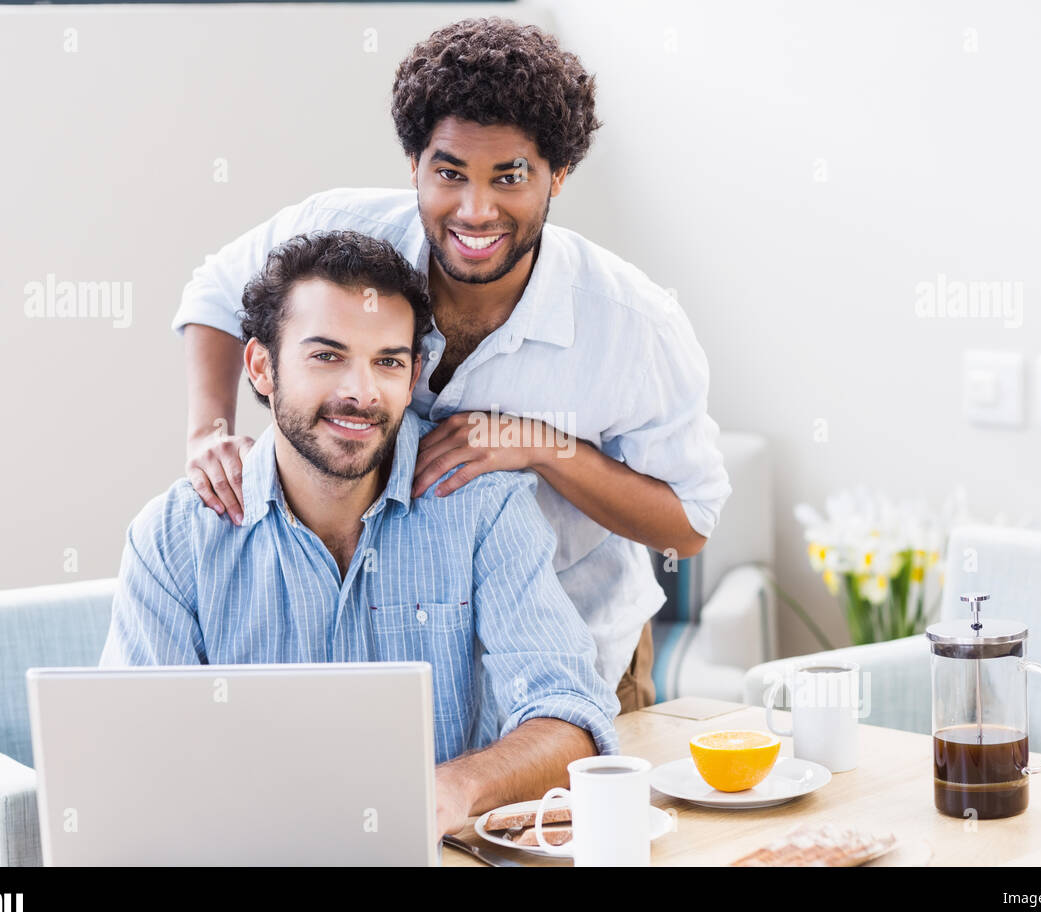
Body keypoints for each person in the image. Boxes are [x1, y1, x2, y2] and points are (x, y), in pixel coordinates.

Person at [178, 16, 731, 714]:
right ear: (413, 165)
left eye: (510, 176)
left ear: (558, 176)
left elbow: (688, 523)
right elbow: (216, 291)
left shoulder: (631, 324)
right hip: (404, 659)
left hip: (573, 658)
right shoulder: (344, 235)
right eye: (449, 173)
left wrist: (543, 449)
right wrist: (207, 431)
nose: (476, 209)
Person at [101, 230, 619, 837]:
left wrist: (453, 788)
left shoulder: (483, 508)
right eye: (326, 356)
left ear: (413, 373)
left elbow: (572, 719)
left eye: (388, 362)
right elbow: (136, 759)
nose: (361, 393)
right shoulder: (176, 537)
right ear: (262, 367)